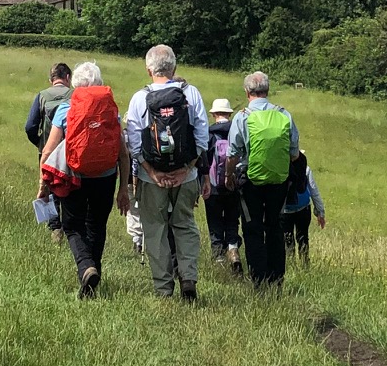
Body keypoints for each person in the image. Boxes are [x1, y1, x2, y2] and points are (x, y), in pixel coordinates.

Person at [121, 45, 210, 303]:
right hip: (187, 177)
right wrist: (186, 170)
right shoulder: (191, 93)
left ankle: (163, 288)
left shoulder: (140, 98)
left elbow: (134, 143)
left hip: (151, 178)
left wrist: (151, 172)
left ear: (148, 70)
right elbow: (202, 137)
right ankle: (188, 278)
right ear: (174, 68)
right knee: (185, 225)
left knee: (155, 230)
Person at [38, 61, 124, 299]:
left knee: (73, 226)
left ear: (74, 83)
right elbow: (124, 154)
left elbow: (48, 151)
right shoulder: (111, 111)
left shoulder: (66, 109)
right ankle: (93, 276)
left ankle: (86, 267)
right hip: (106, 177)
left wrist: (43, 184)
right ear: (99, 83)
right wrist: (123, 189)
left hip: (75, 176)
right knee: (97, 226)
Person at [228, 71, 300, 288]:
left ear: (247, 92)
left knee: (253, 229)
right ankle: (277, 280)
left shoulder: (242, 116)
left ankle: (258, 280)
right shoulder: (284, 115)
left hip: (250, 181)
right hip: (279, 181)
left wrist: (228, 175)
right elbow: (294, 153)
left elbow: (233, 154)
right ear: (268, 90)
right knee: (275, 227)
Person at [25, 63, 73, 237]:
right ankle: (69, 228)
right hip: (70, 152)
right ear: (67, 77)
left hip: (47, 151)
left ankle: (55, 228)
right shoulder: (74, 96)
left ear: (51, 79)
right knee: (69, 188)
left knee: (49, 188)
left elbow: (30, 126)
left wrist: (40, 143)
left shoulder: (42, 96)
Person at [202, 96, 243, 274]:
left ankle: (218, 258)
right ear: (229, 114)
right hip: (234, 185)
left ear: (214, 114)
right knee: (232, 221)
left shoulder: (208, 134)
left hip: (213, 187)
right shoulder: (237, 132)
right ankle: (233, 250)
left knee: (215, 223)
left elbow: (203, 160)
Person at [283, 150, 326, 264]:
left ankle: (290, 265)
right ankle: (305, 264)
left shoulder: (280, 170)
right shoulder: (305, 168)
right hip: (303, 209)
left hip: (285, 211)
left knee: (287, 240)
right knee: (303, 238)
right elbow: (314, 191)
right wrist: (320, 212)